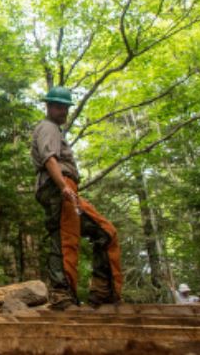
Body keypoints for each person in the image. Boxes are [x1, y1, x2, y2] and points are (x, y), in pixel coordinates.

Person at [31, 86, 123, 310]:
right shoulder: (48, 127)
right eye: (59, 106)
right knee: (65, 239)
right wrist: (63, 187)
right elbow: (49, 159)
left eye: (66, 107)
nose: (63, 111)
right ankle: (62, 297)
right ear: (49, 106)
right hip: (58, 187)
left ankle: (101, 293)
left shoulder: (54, 129)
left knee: (104, 232)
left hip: (64, 188)